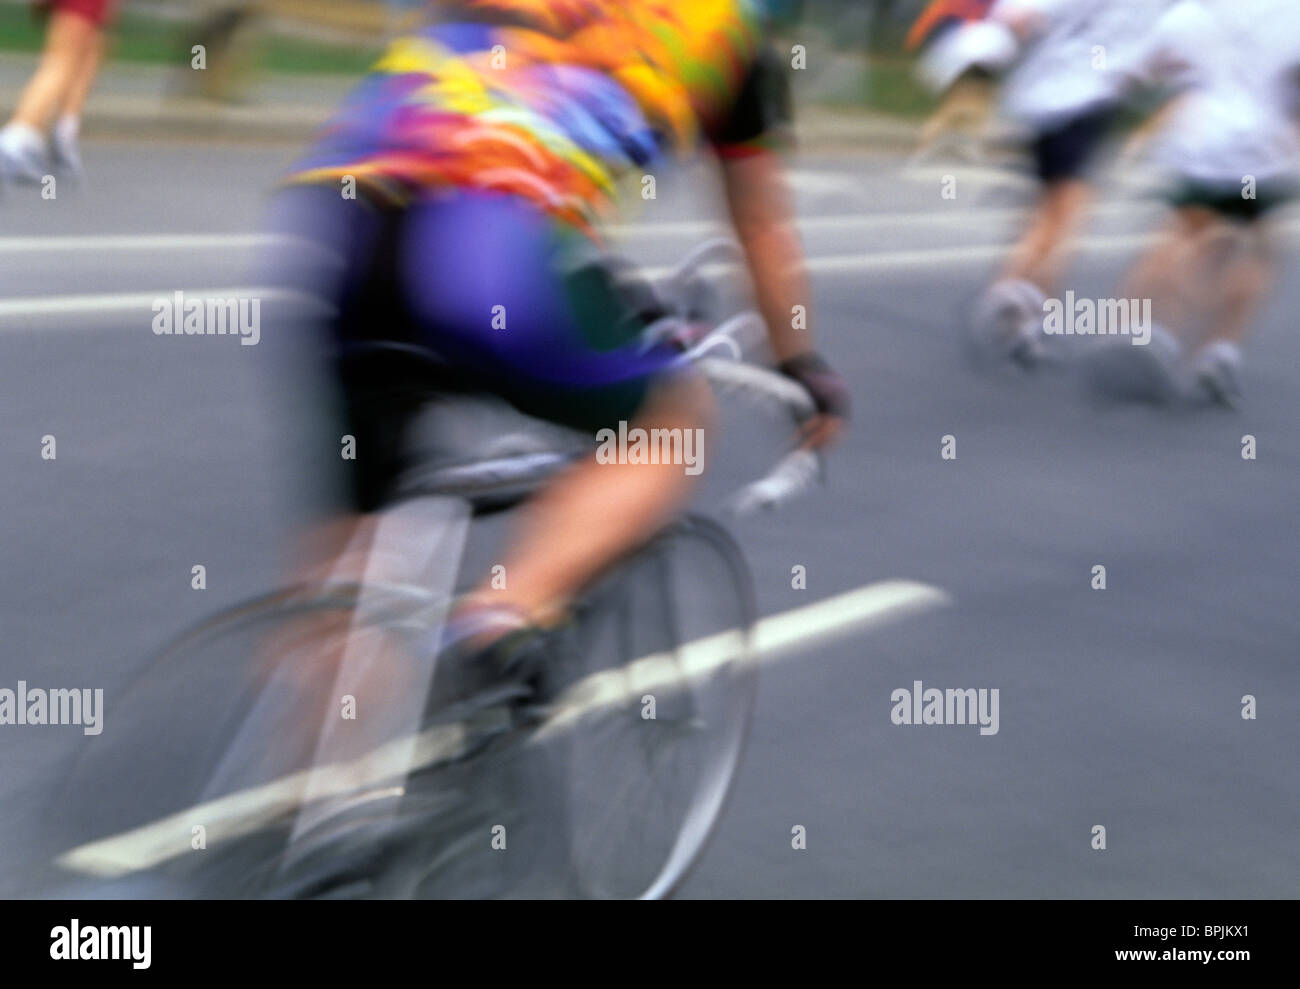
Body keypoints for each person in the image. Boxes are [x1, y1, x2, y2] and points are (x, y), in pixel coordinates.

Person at [273, 0, 850, 664]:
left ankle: (317, 747)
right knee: (674, 425)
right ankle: (502, 617)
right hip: (494, 244)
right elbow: (762, 227)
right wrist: (800, 362)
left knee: (350, 578)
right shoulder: (727, 28)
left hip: (344, 230)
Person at [1101, 0, 1300, 407]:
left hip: (1202, 141)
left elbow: (1135, 69)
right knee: (1256, 245)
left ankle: (1154, 333)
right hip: (1264, 146)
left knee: (1184, 232)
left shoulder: (1192, 12)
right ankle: (1218, 351)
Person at [969, 0, 1169, 366]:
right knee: (1068, 213)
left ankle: (1010, 297)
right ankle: (1020, 306)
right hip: (1081, 99)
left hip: (1041, 98)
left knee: (1047, 209)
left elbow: (1016, 15)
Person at [0, 0, 117, 184]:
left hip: (94, 9)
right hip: (80, 6)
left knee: (81, 67)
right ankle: (16, 137)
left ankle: (63, 133)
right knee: (60, 64)